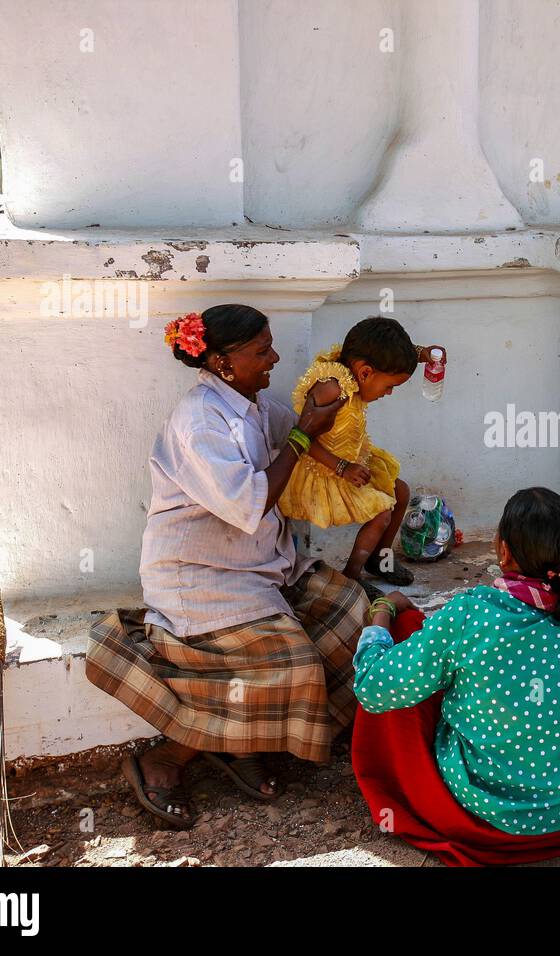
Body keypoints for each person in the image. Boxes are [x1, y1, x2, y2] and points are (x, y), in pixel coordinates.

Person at [86, 304, 367, 829]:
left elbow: (307, 448)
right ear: (221, 362)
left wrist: (346, 440)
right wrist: (307, 427)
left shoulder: (255, 406)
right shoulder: (198, 423)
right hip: (200, 577)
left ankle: (238, 743)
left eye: (271, 345)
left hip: (260, 569)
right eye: (262, 351)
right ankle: (167, 757)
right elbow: (249, 503)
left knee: (351, 611)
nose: (275, 358)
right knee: (293, 657)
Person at [347, 487, 560, 865]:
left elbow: (373, 689)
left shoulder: (470, 615)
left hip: (483, 806)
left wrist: (382, 614)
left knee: (409, 630)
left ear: (504, 550)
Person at [278, 317, 443, 598]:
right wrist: (342, 467)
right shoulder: (332, 389)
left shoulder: (354, 365)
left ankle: (379, 559)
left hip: (352, 460)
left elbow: (386, 350)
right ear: (365, 373)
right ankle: (351, 579)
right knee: (381, 513)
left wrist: (421, 353)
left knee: (400, 492)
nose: (389, 393)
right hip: (324, 469)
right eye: (389, 386)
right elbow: (302, 438)